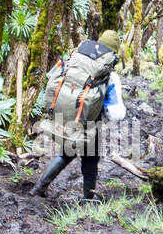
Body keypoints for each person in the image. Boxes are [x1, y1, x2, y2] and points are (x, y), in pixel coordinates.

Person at [30, 29, 126, 201]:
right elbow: (115, 114)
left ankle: (39, 187)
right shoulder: (110, 76)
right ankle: (89, 199)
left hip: (66, 115)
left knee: (68, 151)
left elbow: (51, 76)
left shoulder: (75, 57)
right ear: (114, 52)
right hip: (89, 121)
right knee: (90, 160)